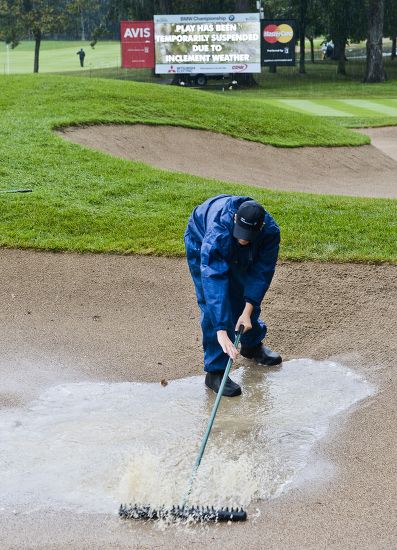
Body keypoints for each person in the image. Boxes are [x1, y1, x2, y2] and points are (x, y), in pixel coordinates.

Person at [184, 194, 282, 398]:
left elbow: (261, 274)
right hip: (199, 239)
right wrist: (221, 329)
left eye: (248, 235)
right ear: (235, 218)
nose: (243, 239)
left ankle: (251, 345)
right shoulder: (219, 231)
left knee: (243, 296)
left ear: (260, 227)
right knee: (214, 303)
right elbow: (214, 281)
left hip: (238, 240)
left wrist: (247, 312)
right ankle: (215, 372)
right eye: (240, 233)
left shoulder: (270, 233)